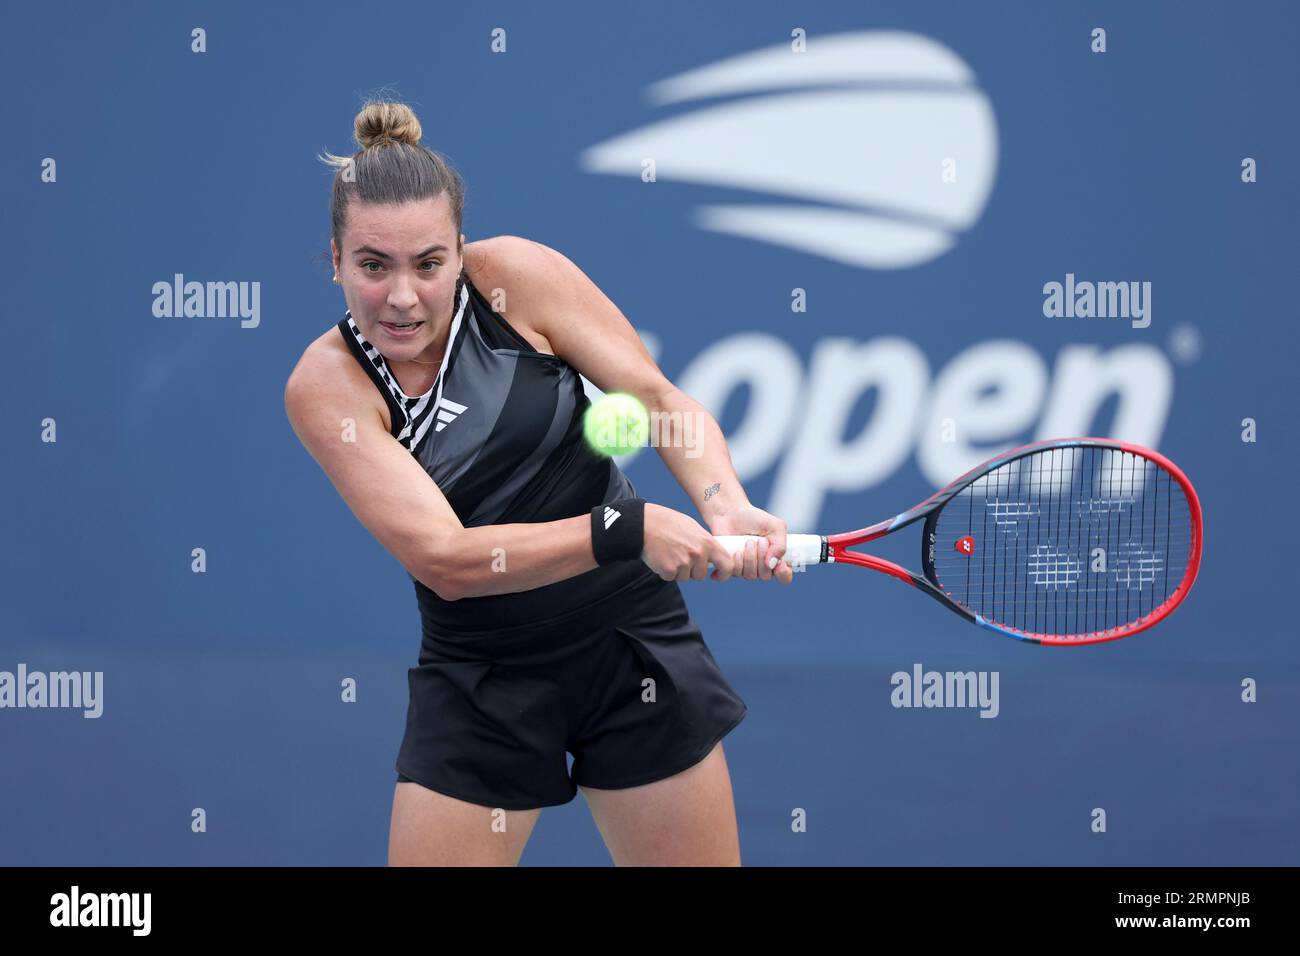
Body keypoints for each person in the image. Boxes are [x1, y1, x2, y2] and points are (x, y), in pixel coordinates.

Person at [285, 98, 795, 866]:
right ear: (333, 260)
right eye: (372, 265)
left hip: (630, 646)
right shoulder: (328, 387)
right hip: (482, 679)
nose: (401, 297)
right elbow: (446, 560)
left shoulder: (515, 278)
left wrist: (725, 504)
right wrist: (627, 530)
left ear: (460, 250)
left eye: (428, 263)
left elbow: (657, 401)